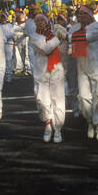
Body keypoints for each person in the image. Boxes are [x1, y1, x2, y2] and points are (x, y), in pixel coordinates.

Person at [71, 5, 98, 141]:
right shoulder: (75, 28)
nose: (80, 17)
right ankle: (90, 121)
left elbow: (84, 37)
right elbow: (69, 41)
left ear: (90, 15)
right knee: (83, 97)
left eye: (83, 14)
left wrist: (66, 36)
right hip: (82, 66)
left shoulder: (96, 27)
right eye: (78, 14)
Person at [27, 12, 65, 142]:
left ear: (47, 21)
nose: (40, 23)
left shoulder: (55, 32)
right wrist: (58, 38)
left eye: (42, 20)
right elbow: (45, 49)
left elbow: (65, 46)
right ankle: (48, 124)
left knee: (58, 99)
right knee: (41, 100)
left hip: (56, 68)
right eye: (37, 21)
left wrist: (64, 34)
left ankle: (58, 129)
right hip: (41, 69)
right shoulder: (34, 36)